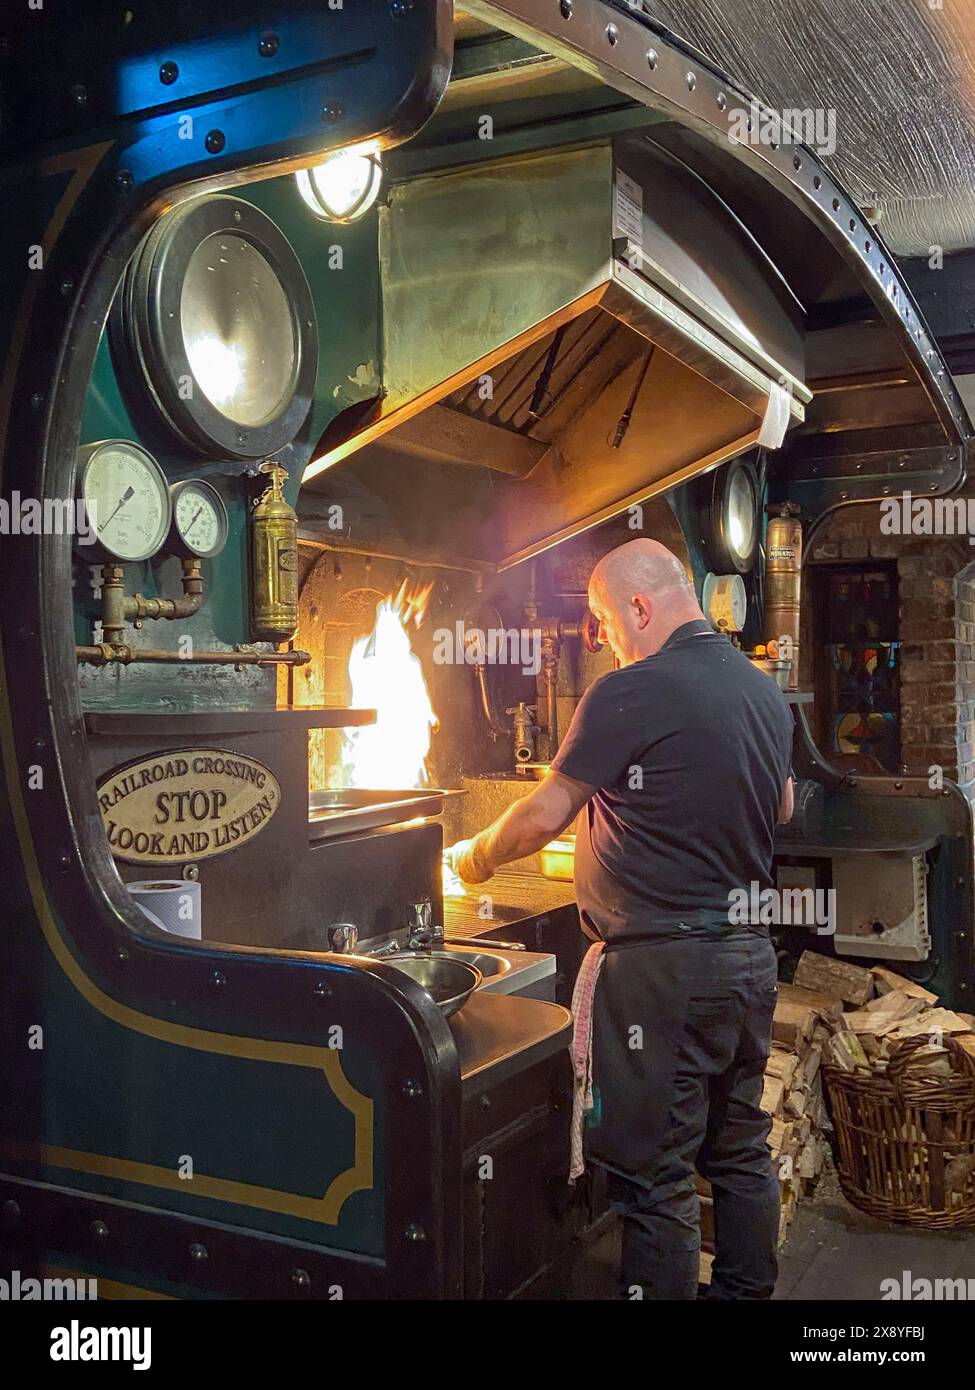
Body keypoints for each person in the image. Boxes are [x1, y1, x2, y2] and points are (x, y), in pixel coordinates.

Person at [445, 538, 794, 1300]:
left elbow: (543, 813)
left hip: (662, 971)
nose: (601, 637)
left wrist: (470, 857)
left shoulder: (631, 690)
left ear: (640, 606)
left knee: (654, 1174)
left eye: (603, 618)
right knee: (738, 1150)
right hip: (745, 956)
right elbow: (783, 805)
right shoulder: (758, 686)